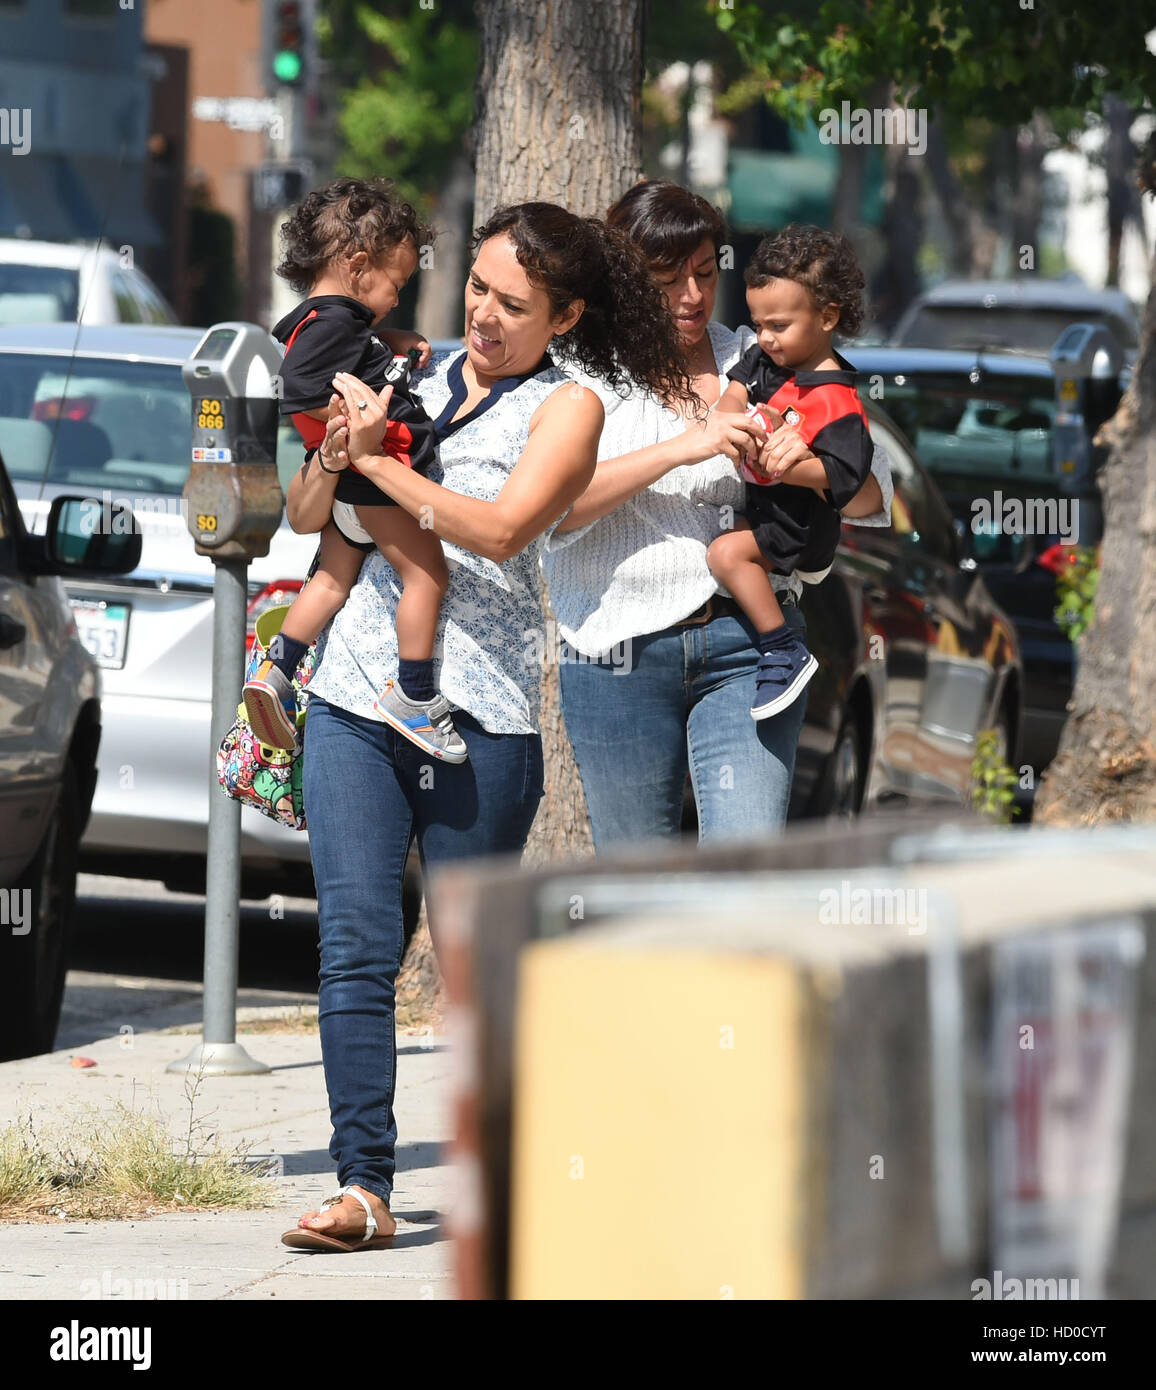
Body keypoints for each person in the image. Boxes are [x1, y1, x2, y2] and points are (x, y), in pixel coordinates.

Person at [279, 201, 695, 1251]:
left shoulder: (571, 408)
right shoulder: (402, 366)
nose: (485, 317)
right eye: (477, 289)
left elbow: (504, 532)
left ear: (565, 314)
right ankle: (362, 1184)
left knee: (474, 968)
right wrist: (339, 453)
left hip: (486, 713)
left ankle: (514, 1173)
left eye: (514, 305)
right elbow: (300, 512)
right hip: (360, 690)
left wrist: (377, 464)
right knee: (357, 943)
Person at [543, 180, 893, 849]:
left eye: (705, 273)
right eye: (668, 279)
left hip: (749, 650)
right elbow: (551, 514)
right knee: (636, 892)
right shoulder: (579, 378)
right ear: (624, 279)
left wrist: (805, 464)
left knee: (742, 875)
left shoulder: (758, 354)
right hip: (618, 653)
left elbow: (874, 491)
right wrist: (683, 447)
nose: (693, 296)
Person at [242, 178, 465, 763]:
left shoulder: (318, 321)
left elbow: (334, 352)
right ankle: (414, 694)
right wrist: (350, 417)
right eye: (397, 285)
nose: (398, 298)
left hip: (347, 483)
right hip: (377, 478)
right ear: (359, 264)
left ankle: (279, 668)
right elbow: (299, 385)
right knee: (427, 579)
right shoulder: (336, 326)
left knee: (332, 581)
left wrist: (390, 338)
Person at [706, 225, 876, 721]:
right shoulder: (763, 357)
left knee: (725, 553)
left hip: (799, 528)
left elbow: (842, 476)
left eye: (778, 325)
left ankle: (782, 648)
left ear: (827, 317)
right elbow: (734, 392)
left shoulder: (837, 400)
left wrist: (787, 465)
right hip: (766, 513)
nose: (763, 337)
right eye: (757, 323)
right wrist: (729, 416)